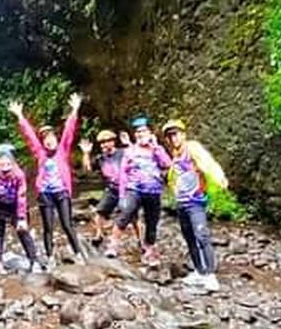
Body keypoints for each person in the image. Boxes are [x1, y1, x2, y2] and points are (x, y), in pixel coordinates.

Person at [10, 93, 84, 263]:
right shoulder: (40, 153)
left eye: (52, 139)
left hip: (62, 192)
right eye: (46, 140)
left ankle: (78, 254)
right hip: (45, 194)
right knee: (48, 227)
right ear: (43, 143)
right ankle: (50, 257)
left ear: (56, 140)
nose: (49, 142)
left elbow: (69, 130)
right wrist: (20, 116)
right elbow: (30, 136)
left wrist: (75, 110)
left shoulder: (62, 150)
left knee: (67, 224)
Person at [162, 119, 228, 292]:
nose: (173, 138)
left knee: (202, 235)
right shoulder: (175, 154)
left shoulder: (192, 147)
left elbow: (207, 162)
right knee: (189, 237)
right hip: (182, 203)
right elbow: (174, 175)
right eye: (170, 136)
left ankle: (210, 276)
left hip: (195, 202)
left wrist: (218, 176)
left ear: (183, 134)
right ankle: (200, 271)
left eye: (175, 134)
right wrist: (173, 191)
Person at [112, 117, 171, 266]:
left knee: (152, 223)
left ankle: (149, 249)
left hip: (154, 191)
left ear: (150, 133)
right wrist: (121, 195)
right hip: (134, 189)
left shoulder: (157, 149)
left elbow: (167, 164)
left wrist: (156, 147)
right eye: (138, 131)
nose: (140, 134)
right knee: (126, 213)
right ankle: (113, 244)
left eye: (143, 131)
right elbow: (123, 173)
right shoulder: (130, 150)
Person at [79, 129, 141, 255]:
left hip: (126, 189)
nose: (104, 145)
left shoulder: (123, 153)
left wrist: (129, 143)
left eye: (107, 142)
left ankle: (141, 239)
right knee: (98, 213)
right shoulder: (101, 158)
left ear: (113, 142)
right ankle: (99, 235)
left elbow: (136, 159)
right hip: (111, 189)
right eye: (102, 143)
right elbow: (87, 169)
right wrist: (86, 153)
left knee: (133, 217)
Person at [0, 144, 46, 273]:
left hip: (15, 205)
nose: (4, 167)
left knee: (23, 231)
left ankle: (33, 260)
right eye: (1, 163)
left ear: (12, 162)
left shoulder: (18, 175)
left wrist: (21, 217)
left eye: (7, 163)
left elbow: (22, 196)